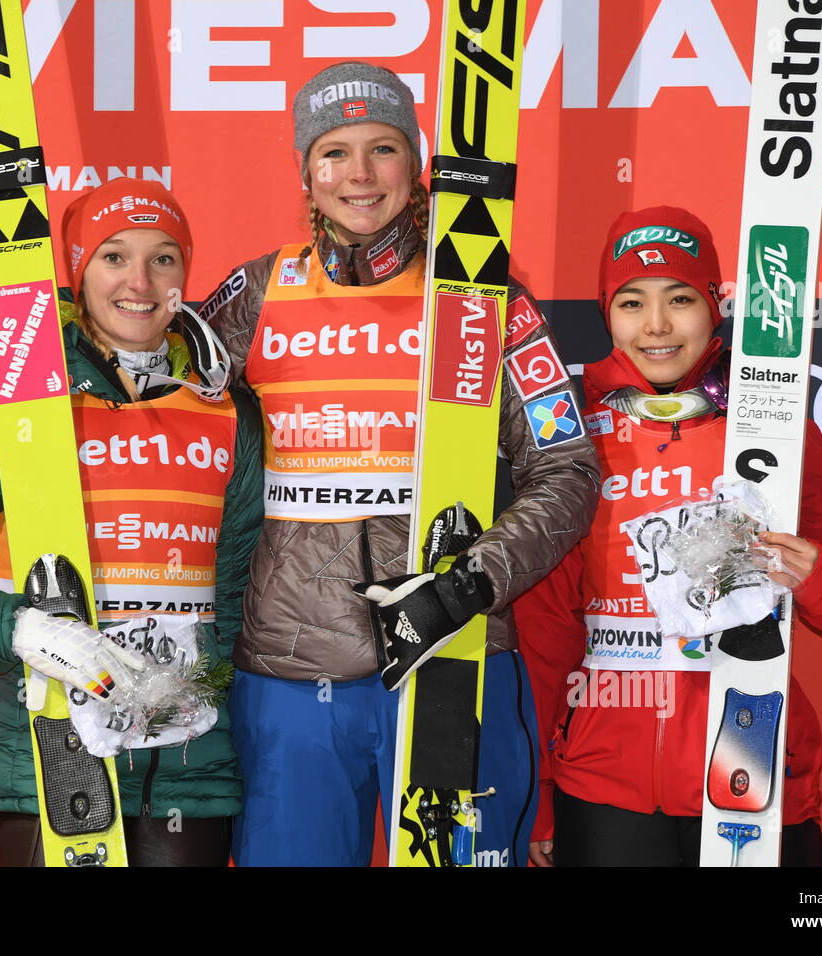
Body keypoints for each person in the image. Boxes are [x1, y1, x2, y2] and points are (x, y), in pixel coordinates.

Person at [197, 61, 601, 866]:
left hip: (451, 651)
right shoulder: (257, 291)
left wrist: (473, 582)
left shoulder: (485, 298)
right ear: (305, 173)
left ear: (415, 163)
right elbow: (139, 386)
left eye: (383, 149)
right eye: (334, 152)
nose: (359, 174)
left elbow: (568, 467)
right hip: (288, 673)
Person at [0, 179, 263, 866]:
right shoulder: (15, 399)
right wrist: (23, 630)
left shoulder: (227, 408)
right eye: (113, 256)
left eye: (163, 258)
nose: (140, 281)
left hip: (187, 778)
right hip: (42, 765)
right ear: (79, 272)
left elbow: (233, 600)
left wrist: (203, 709)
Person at [516, 206, 822, 867]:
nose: (656, 326)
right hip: (606, 779)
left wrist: (816, 574)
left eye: (679, 299)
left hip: (751, 755)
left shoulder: (769, 429)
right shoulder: (574, 440)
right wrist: (539, 791)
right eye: (632, 302)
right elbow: (546, 631)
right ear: (608, 312)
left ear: (715, 305)